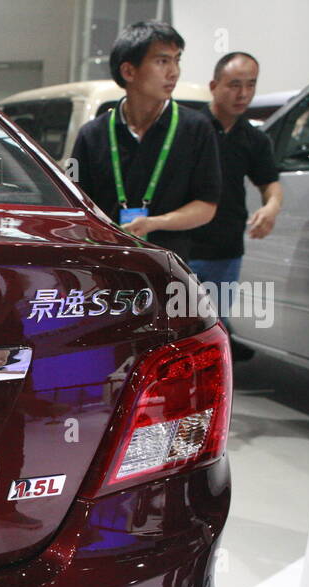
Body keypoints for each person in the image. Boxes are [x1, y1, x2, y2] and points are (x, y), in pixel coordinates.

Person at [73, 21, 221, 259]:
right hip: (107, 263)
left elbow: (206, 205)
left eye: (177, 60)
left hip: (169, 265)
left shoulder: (196, 129)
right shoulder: (92, 135)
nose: (174, 72)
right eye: (162, 61)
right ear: (129, 71)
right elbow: (77, 203)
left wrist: (154, 223)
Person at [188, 52, 283, 359]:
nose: (243, 94)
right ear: (214, 85)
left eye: (250, 85)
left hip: (224, 249)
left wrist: (271, 207)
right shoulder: (187, 128)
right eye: (234, 85)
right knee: (171, 324)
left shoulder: (254, 139)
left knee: (211, 324)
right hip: (180, 244)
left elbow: (270, 183)